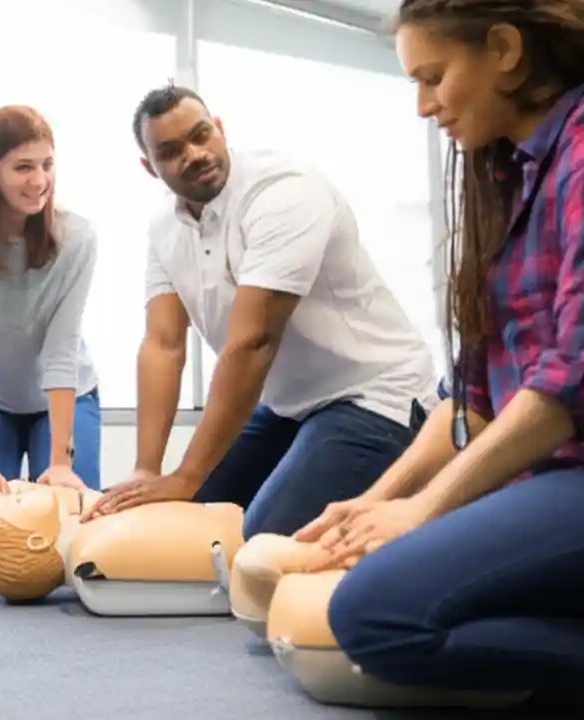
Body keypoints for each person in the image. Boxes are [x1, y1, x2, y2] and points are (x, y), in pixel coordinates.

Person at [300, 0, 584, 698]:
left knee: (377, 614)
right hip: (558, 475)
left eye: (433, 77)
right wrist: (372, 504)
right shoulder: (509, 173)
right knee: (370, 574)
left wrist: (428, 509)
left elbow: (582, 372)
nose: (423, 106)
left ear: (504, 49)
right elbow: (474, 399)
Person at [83, 84, 439, 539]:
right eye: (170, 151)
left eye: (200, 135)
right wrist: (146, 471)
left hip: (373, 395)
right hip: (287, 407)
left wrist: (188, 475)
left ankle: (417, 496)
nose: (194, 154)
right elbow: (163, 344)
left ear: (219, 128)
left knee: (263, 535)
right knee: (186, 517)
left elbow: (253, 342)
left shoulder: (284, 193)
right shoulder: (165, 228)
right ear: (149, 167)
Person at [0, 105, 102, 492]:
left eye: (47, 165)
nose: (39, 180)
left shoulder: (77, 237)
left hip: (65, 398)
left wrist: (60, 463)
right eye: (23, 167)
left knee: (70, 522)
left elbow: (61, 349)